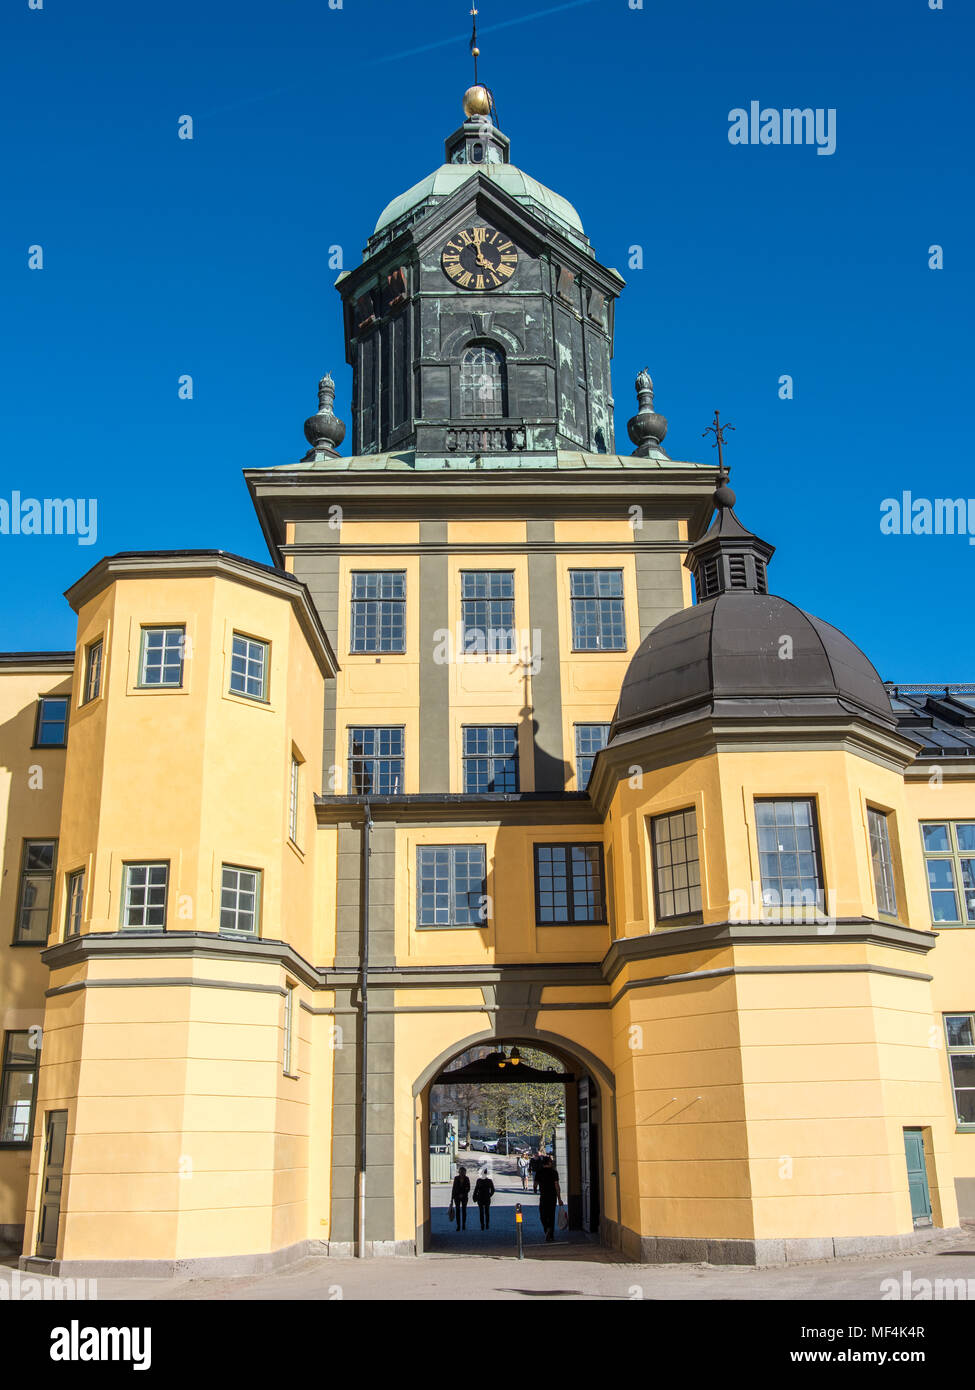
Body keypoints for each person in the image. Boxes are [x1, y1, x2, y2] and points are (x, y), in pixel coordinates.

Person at [536, 1155, 563, 1242]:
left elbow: (535, 1184)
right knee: (551, 1215)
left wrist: (535, 1190)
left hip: (543, 1196)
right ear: (549, 1163)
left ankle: (546, 1228)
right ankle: (551, 1234)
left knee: (543, 1214)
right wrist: (559, 1198)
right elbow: (557, 1186)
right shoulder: (554, 1172)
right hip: (552, 1196)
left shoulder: (539, 1172)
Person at [450, 1166, 470, 1231]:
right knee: (458, 1211)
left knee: (464, 1211)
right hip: (457, 1197)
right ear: (459, 1172)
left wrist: (463, 1194)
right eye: (461, 1172)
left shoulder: (467, 1179)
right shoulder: (456, 1178)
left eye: (463, 1172)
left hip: (464, 1197)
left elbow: (468, 1188)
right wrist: (452, 1198)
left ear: (465, 1173)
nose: (462, 1173)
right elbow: (454, 1188)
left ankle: (463, 1224)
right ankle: (458, 1225)